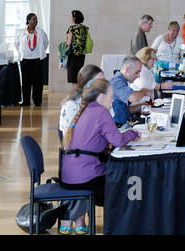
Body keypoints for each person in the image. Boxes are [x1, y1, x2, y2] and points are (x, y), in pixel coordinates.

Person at [59, 76, 138, 233]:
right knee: (133, 182)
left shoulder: (85, 110)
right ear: (102, 97)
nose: (112, 101)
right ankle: (129, 225)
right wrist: (132, 133)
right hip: (86, 178)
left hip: (69, 175)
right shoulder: (101, 112)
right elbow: (118, 141)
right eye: (111, 97)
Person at [59, 64, 104, 136]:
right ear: (86, 85)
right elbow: (68, 141)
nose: (103, 86)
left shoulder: (103, 101)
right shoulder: (70, 106)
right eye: (99, 82)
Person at [17, 12, 49, 107]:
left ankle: (37, 101)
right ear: (28, 20)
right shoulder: (22, 32)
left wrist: (40, 52)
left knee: (38, 82)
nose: (36, 21)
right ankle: (26, 101)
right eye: (34, 19)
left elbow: (46, 43)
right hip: (25, 60)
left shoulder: (41, 32)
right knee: (26, 81)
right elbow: (17, 44)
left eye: (36, 19)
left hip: (37, 59)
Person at [110, 57, 150, 125]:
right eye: (137, 72)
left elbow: (124, 110)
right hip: (118, 127)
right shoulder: (117, 82)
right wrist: (144, 91)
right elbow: (133, 97)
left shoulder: (122, 81)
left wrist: (144, 105)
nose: (138, 76)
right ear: (127, 69)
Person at [59, 11, 91, 86]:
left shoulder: (72, 28)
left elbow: (68, 43)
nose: (71, 18)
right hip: (81, 56)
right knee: (79, 77)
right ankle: (79, 95)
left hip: (73, 56)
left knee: (74, 80)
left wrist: (62, 50)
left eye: (72, 17)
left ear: (74, 18)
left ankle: (75, 96)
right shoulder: (84, 28)